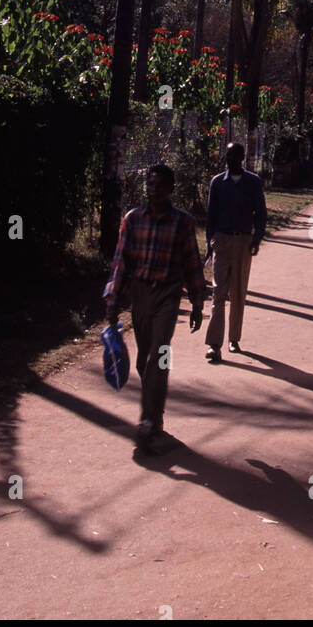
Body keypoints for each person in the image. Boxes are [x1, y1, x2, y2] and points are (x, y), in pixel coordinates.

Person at [103, 163, 205, 453]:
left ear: (171, 189)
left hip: (168, 296)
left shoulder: (182, 222)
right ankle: (155, 412)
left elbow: (191, 264)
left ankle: (147, 419)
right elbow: (121, 264)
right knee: (143, 360)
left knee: (160, 352)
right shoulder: (133, 220)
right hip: (141, 294)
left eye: (160, 185)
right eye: (149, 184)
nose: (153, 190)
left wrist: (197, 302)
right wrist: (113, 301)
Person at [204, 142, 267, 363]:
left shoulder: (253, 182)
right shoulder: (217, 183)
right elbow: (210, 215)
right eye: (228, 155)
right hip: (221, 240)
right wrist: (208, 246)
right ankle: (214, 344)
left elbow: (261, 213)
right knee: (218, 292)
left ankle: (234, 338)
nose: (230, 159)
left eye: (235, 155)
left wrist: (256, 239)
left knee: (238, 293)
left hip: (243, 241)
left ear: (242, 157)